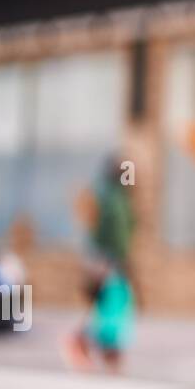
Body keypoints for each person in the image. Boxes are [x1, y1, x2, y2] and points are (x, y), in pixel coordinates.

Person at [61, 157, 136, 373]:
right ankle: (84, 343)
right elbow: (116, 235)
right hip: (109, 262)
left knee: (107, 307)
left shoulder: (111, 196)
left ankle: (99, 350)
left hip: (105, 260)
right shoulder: (115, 200)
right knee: (112, 307)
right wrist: (114, 261)